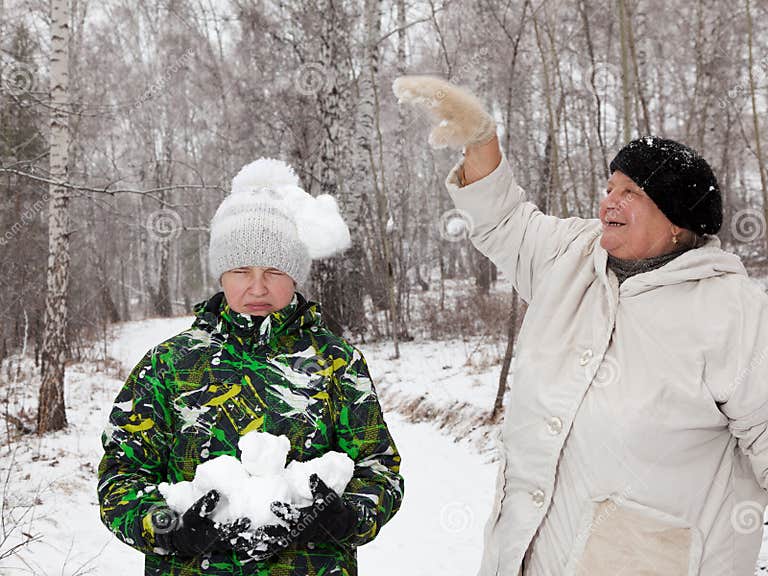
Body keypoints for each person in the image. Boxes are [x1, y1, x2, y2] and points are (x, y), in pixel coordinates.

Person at [394, 75, 768, 576]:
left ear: (678, 220)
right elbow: (503, 221)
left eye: (630, 192)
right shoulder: (571, 254)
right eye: (609, 187)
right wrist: (482, 140)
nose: (608, 201)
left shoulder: (733, 312)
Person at [98, 158, 404, 576]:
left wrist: (347, 517)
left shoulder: (337, 362)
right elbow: (122, 475)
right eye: (241, 270)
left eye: (274, 271)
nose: (257, 288)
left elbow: (378, 468)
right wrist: (170, 529)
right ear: (221, 275)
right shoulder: (168, 364)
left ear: (295, 276)